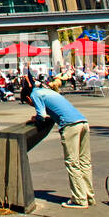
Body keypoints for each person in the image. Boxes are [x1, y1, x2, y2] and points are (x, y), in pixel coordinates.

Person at [21, 77, 93, 208]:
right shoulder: (45, 90)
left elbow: (41, 116)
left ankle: (79, 199)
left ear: (28, 99)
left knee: (72, 163)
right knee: (84, 162)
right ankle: (89, 195)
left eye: (29, 104)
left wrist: (35, 119)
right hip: (82, 122)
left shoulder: (34, 94)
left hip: (69, 126)